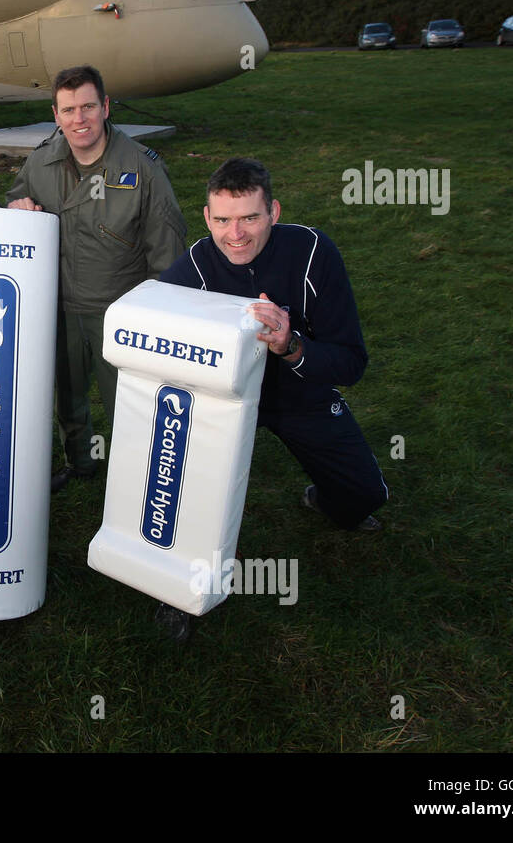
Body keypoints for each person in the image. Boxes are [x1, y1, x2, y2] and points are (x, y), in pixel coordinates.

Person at [155, 156, 389, 641]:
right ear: (206, 217)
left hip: (298, 392)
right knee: (185, 481)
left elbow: (351, 362)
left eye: (249, 218)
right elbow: (150, 321)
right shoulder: (196, 263)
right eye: (222, 220)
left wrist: (291, 345)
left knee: (364, 497)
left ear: (274, 211)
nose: (234, 234)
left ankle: (324, 499)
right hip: (225, 399)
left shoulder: (311, 252)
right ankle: (178, 585)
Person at [7, 65, 187, 493]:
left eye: (88, 106)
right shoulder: (41, 161)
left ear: (105, 107)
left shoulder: (141, 168)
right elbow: (17, 196)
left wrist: (158, 318)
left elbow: (168, 249)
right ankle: (80, 462)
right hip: (58, 307)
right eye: (69, 109)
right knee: (66, 397)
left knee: (127, 402)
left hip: (119, 309)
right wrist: (18, 205)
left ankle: (134, 481)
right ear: (56, 114)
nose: (79, 119)